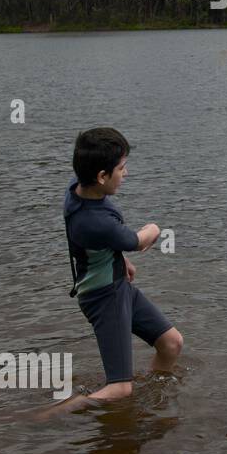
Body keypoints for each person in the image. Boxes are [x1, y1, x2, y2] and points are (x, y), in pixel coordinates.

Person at [54, 127, 183, 411]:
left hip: (116, 285)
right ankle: (52, 414)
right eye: (121, 169)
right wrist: (155, 228)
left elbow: (94, 242)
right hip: (104, 297)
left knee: (171, 343)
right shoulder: (96, 221)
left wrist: (117, 258)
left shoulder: (78, 189)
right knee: (121, 389)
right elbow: (137, 241)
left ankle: (157, 398)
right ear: (101, 176)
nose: (126, 174)